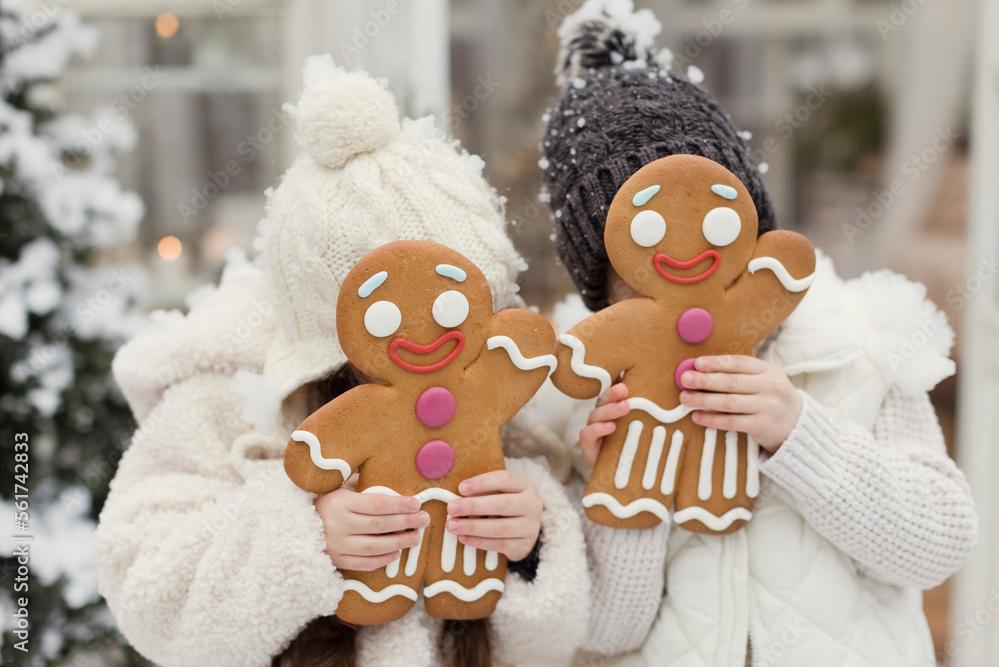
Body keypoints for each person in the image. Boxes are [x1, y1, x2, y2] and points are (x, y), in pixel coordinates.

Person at [96, 56, 589, 667]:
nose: (441, 338)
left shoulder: (499, 392)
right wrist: (300, 535)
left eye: (465, 308)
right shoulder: (229, 397)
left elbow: (564, 642)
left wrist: (530, 547)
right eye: (407, 312)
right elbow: (145, 584)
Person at [536, 2, 978, 665]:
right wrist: (623, 487)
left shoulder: (858, 351)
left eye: (709, 230)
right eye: (644, 261)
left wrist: (801, 431)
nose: (684, 273)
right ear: (604, 285)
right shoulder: (589, 400)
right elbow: (607, 629)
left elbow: (936, 546)